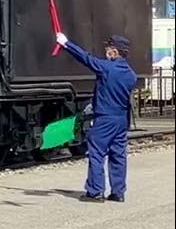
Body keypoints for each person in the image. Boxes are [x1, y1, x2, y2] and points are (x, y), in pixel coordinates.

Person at [55, 32, 137, 202]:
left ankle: (95, 191)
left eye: (108, 47)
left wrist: (66, 43)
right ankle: (118, 193)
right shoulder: (131, 75)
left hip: (105, 118)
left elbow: (86, 58)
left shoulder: (107, 68)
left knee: (96, 152)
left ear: (115, 51)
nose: (106, 50)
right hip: (121, 120)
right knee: (118, 155)